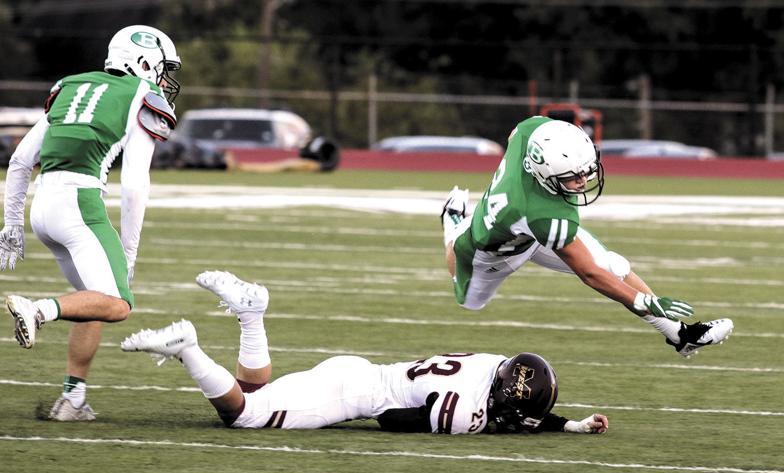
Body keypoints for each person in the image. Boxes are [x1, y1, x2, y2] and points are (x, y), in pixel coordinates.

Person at [121, 270, 609, 435]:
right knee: (244, 416)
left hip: (359, 373)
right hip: (353, 394)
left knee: (252, 394)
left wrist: (569, 424)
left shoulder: (491, 364)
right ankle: (188, 349)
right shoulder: (469, 411)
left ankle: (251, 314)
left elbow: (517, 407)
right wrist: (493, 425)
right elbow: (392, 421)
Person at [0, 25, 181, 421]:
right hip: (79, 205)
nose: (164, 79)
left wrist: (11, 225)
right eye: (162, 68)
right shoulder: (140, 94)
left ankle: (73, 399)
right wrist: (129, 252)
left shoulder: (71, 85)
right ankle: (38, 309)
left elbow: (20, 160)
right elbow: (134, 186)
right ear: (144, 62)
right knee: (117, 304)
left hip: (43, 208)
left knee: (92, 299)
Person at [440, 116, 733, 358]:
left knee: (614, 265)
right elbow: (590, 274)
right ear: (541, 172)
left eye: (585, 172)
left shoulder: (533, 131)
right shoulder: (543, 214)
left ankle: (681, 335)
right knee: (469, 301)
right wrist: (642, 300)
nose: (583, 182)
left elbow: (517, 133)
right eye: (572, 177)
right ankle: (453, 220)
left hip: (526, 221)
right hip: (496, 250)